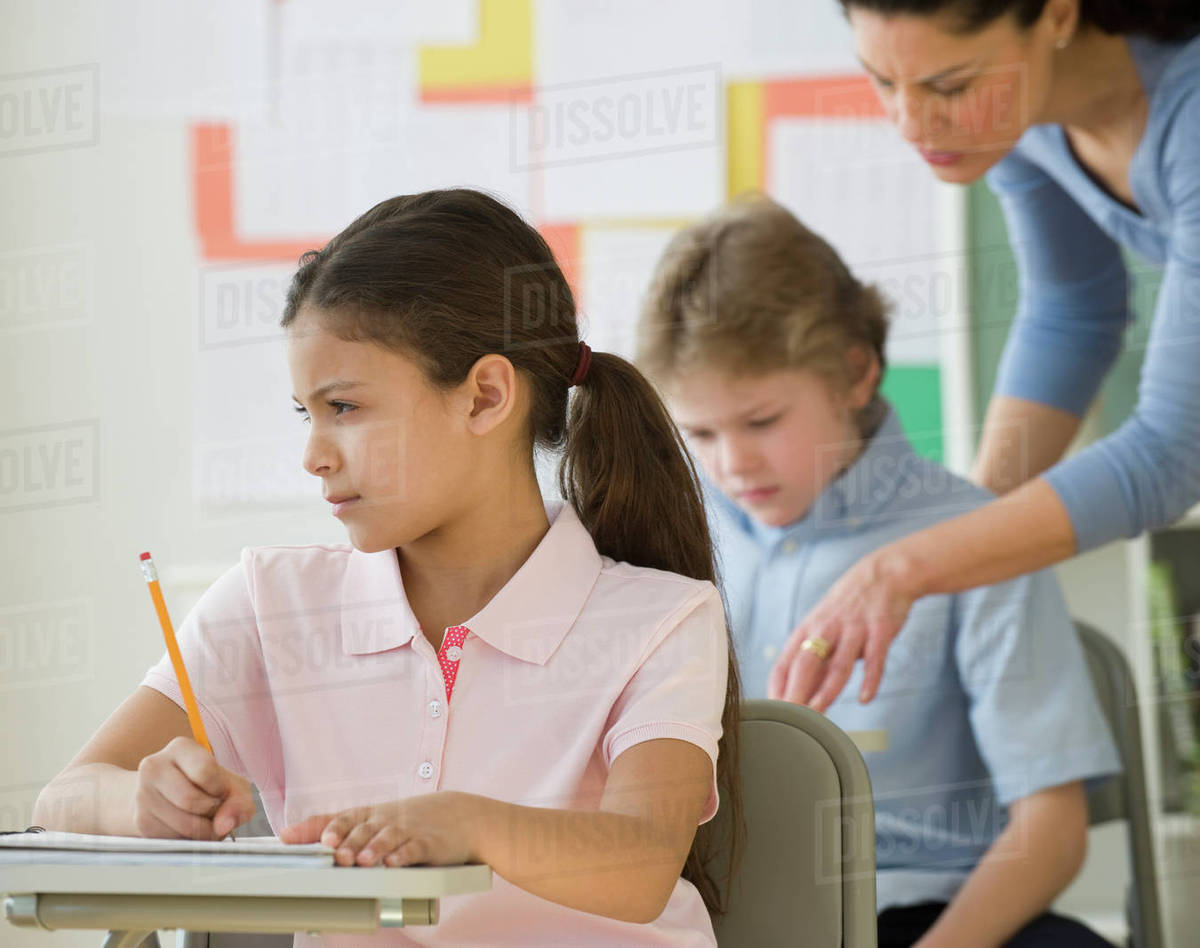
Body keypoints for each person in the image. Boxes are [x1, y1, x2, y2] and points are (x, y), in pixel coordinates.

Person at [33, 188, 743, 946]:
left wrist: (465, 824)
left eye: (346, 408)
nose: (313, 456)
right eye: (306, 414)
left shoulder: (662, 619)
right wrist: (138, 804)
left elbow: (639, 865)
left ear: (485, 398)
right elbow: (63, 800)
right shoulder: (275, 602)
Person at [637, 195, 1120, 947]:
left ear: (855, 375)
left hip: (930, 918)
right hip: (715, 918)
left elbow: (1052, 834)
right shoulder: (664, 536)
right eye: (701, 431)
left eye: (763, 421)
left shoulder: (972, 540)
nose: (734, 465)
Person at [769, 0, 1200, 711]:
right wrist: (965, 538)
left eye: (949, 87)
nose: (910, 124)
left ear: (1058, 14)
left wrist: (908, 567)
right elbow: (1073, 312)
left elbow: (1172, 453)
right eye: (882, 81)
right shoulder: (1020, 114)